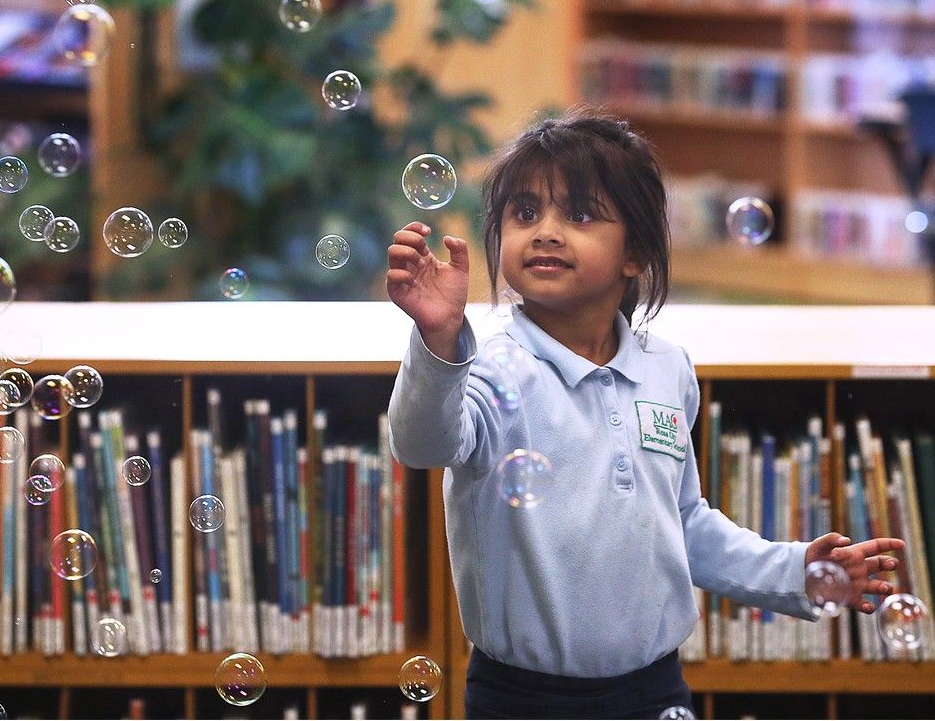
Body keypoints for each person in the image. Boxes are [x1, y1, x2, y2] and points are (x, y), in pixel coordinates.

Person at [385, 108, 905, 720]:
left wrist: (796, 572)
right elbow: (421, 444)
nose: (546, 231)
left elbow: (683, 524)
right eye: (524, 213)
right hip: (522, 697)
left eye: (578, 215)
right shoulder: (492, 369)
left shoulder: (667, 369)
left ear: (635, 252)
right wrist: (440, 341)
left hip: (654, 691)